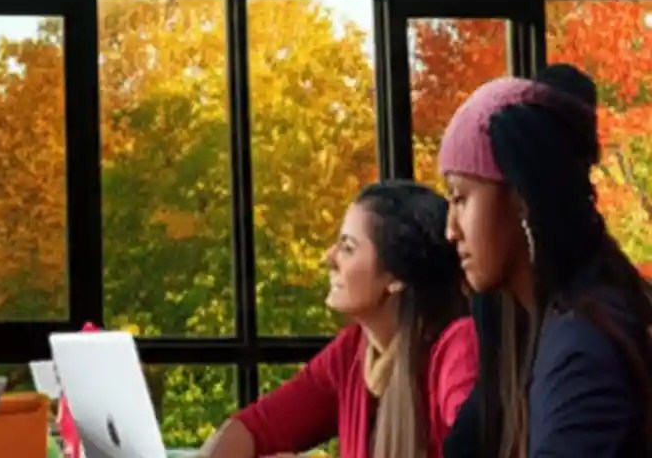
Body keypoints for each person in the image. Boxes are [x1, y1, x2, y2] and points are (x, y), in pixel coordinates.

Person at [439, 72, 652, 456]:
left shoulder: (582, 349)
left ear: (521, 198)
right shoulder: (522, 324)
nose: (450, 230)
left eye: (460, 198)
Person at [202, 181, 477, 458]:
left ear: (395, 278)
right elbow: (257, 429)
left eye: (347, 248)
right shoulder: (352, 352)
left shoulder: (458, 348)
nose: (328, 258)